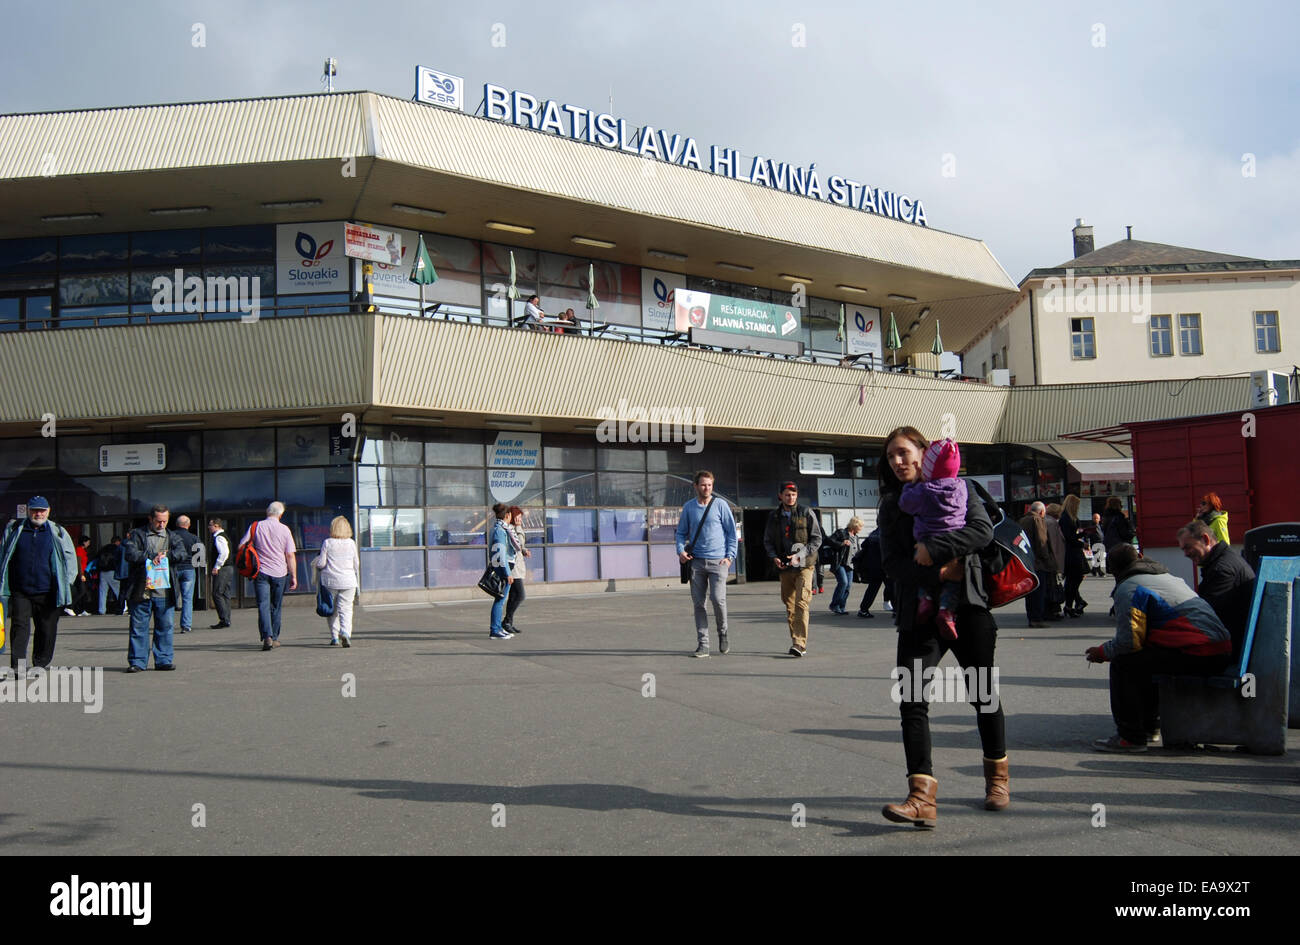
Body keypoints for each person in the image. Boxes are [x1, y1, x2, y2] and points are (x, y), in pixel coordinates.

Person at [877, 428, 1008, 825]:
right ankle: (922, 796)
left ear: (924, 452)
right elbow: (892, 565)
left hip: (968, 606)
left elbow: (983, 533)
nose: (898, 462)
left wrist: (935, 550)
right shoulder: (892, 504)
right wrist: (937, 574)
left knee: (983, 693)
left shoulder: (961, 487)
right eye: (891, 457)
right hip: (918, 613)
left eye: (904, 453)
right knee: (912, 701)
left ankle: (997, 780)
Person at [1086, 543, 1232, 751]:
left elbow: (1129, 643)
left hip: (1201, 651)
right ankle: (1149, 727)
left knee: (1124, 664)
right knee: (1147, 659)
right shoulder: (1166, 577)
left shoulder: (1130, 588)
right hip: (1218, 648)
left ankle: (1131, 737)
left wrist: (1102, 652)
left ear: (1114, 570)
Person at [0, 496, 78, 677]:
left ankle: (40, 664)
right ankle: (18, 667)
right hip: (21, 590)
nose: (38, 513)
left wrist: (67, 584)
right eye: (35, 510)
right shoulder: (14, 529)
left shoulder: (57, 532)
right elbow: (3, 555)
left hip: (49, 591)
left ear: (48, 511)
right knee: (19, 628)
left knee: (46, 630)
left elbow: (70, 559)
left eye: (42, 510)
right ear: (28, 511)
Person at [898, 438, 967, 639]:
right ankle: (946, 610)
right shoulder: (961, 487)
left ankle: (925, 599)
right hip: (955, 543)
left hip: (926, 539)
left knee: (924, 568)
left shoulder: (925, 490)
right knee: (953, 581)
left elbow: (906, 504)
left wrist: (912, 485)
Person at [675, 470, 738, 657]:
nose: (707, 488)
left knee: (718, 599)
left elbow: (731, 533)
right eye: (703, 485)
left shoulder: (720, 505)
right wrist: (681, 551)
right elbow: (680, 533)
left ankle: (723, 632)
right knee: (698, 604)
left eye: (709, 485)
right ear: (696, 486)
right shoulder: (689, 507)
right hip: (696, 563)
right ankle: (703, 644)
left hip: (719, 562)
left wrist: (730, 557)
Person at [122, 504, 190, 673]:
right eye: (158, 521)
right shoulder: (138, 534)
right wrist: (150, 557)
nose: (161, 525)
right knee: (139, 627)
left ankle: (163, 660)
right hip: (141, 590)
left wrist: (166, 556)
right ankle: (138, 661)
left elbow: (182, 554)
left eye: (164, 521)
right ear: (150, 519)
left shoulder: (172, 537)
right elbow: (130, 554)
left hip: (164, 590)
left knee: (165, 626)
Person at [1176, 519, 1255, 656]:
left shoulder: (1222, 569)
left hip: (1232, 647)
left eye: (1188, 547)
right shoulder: (1225, 560)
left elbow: (1207, 613)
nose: (1186, 554)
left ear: (1205, 539)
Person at [762, 481, 822, 657]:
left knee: (802, 603)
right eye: (787, 494)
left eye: (794, 494)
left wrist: (800, 555)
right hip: (785, 568)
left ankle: (799, 643)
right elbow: (768, 540)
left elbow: (816, 539)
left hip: (804, 565)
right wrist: (774, 557)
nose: (791, 497)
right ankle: (796, 640)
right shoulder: (774, 516)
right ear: (780, 495)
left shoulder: (806, 512)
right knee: (790, 606)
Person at [240, 501, 298, 651]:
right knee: (276, 606)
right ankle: (275, 637)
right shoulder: (285, 529)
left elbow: (242, 545)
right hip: (280, 572)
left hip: (261, 571)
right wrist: (294, 576)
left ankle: (267, 636)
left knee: (263, 605)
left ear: (267, 512)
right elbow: (290, 555)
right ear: (281, 514)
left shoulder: (256, 526)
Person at [313, 516, 360, 646]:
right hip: (348, 580)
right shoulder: (351, 543)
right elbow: (356, 564)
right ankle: (345, 632)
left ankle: (334, 637)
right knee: (346, 609)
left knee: (332, 609)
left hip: (330, 581)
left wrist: (317, 564)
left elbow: (321, 563)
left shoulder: (327, 542)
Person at [1017, 502, 1058, 628]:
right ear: (1041, 512)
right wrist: (1047, 558)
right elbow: (1041, 541)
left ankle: (1032, 616)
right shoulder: (1037, 520)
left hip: (1026, 560)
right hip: (1039, 562)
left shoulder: (1023, 520)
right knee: (1039, 591)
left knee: (1030, 591)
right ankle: (1037, 618)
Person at [488, 504, 516, 639]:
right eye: (510, 515)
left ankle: (498, 627)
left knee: (501, 599)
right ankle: (495, 629)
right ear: (507, 515)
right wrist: (507, 573)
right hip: (502, 568)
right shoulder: (500, 530)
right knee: (500, 599)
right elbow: (501, 552)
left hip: (500, 567)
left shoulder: (498, 528)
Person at [502, 505, 531, 635]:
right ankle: (506, 621)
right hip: (513, 568)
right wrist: (519, 528)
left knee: (514, 596)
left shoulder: (515, 528)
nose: (520, 519)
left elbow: (520, 546)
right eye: (518, 516)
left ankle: (508, 622)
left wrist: (524, 551)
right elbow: (517, 543)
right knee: (520, 595)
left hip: (518, 565)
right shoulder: (511, 529)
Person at [827, 517, 864, 615]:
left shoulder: (856, 537)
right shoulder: (841, 532)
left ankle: (841, 607)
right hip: (840, 563)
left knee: (848, 586)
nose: (861, 529)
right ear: (854, 525)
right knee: (843, 582)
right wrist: (842, 543)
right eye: (860, 526)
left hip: (850, 565)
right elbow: (829, 541)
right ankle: (834, 605)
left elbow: (857, 551)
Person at [854, 527, 893, 618]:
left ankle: (863, 609)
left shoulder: (873, 534)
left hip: (873, 566)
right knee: (891, 587)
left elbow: (864, 545)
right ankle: (896, 610)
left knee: (872, 589)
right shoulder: (887, 533)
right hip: (884, 566)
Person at [1059, 495, 1088, 617]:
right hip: (1072, 553)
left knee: (1072, 580)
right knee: (1074, 580)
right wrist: (1081, 541)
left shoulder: (1066, 517)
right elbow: (1069, 537)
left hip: (1072, 551)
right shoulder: (1067, 518)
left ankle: (1071, 605)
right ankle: (1070, 605)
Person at [172, 514, 201, 634]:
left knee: (171, 597)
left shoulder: (171, 536)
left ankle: (167, 623)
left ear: (177, 524)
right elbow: (200, 554)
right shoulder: (194, 538)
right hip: (189, 568)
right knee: (187, 599)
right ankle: (186, 625)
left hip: (174, 568)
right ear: (188, 525)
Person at [207, 518, 233, 629]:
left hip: (223, 568)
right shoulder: (223, 536)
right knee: (225, 593)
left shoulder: (219, 537)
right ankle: (226, 618)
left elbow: (224, 553)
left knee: (217, 593)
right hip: (228, 567)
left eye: (210, 525)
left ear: (217, 526)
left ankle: (224, 619)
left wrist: (217, 566)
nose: (209, 527)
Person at [1043, 503, 1067, 620]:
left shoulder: (1045, 520)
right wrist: (1058, 564)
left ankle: (1052, 609)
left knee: (1050, 585)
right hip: (1053, 560)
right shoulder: (1052, 523)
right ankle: (1053, 610)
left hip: (1048, 559)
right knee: (1053, 585)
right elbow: (1055, 544)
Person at [66, 534, 93, 616]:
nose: (89, 543)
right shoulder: (79, 550)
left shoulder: (84, 550)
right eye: (88, 542)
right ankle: (69, 607)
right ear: (84, 542)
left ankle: (81, 609)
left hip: (84, 572)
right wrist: (81, 574)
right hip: (80, 573)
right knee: (81, 591)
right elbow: (78, 563)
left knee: (83, 592)